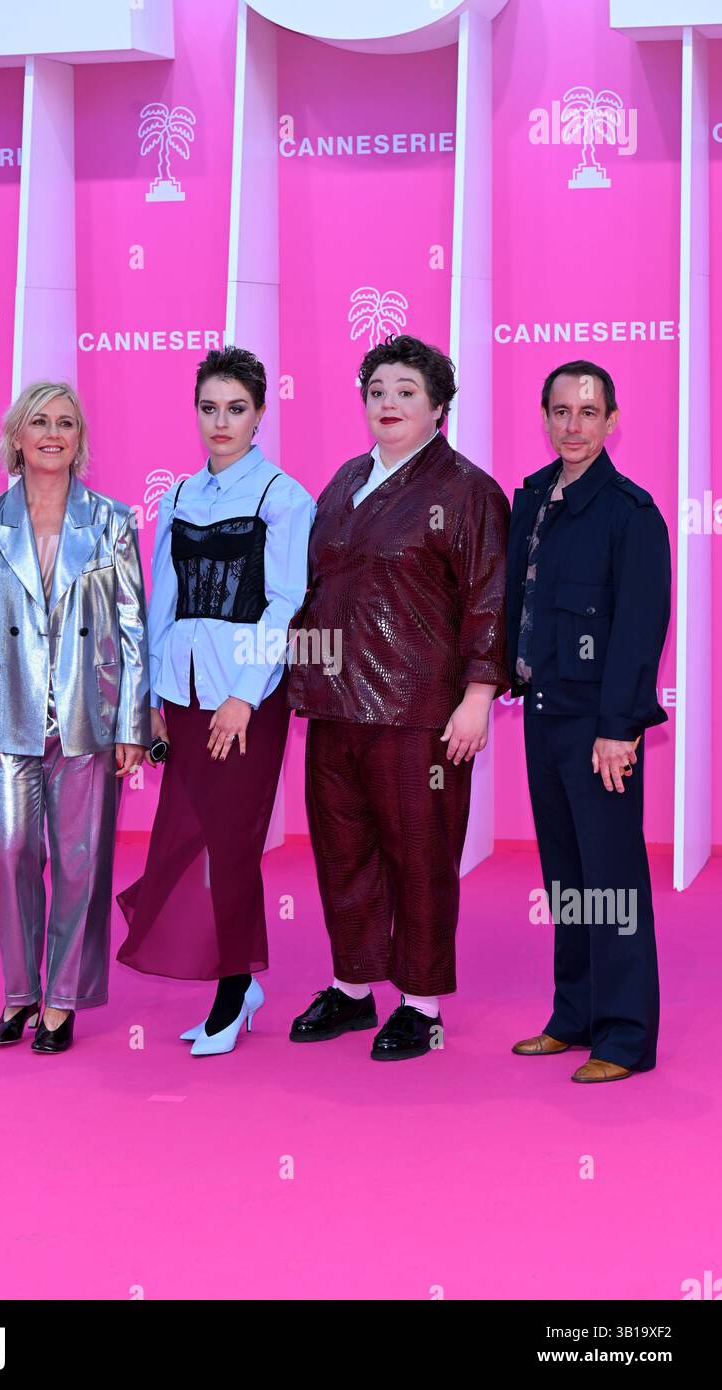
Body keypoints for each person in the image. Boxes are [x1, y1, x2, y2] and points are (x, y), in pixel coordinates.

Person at [287, 335, 510, 1061]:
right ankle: (353, 988)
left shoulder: (466, 490)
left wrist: (477, 696)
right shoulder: (345, 480)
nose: (388, 402)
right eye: (377, 390)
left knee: (421, 857)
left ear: (439, 407)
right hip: (333, 707)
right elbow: (314, 588)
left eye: (407, 391)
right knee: (342, 854)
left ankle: (421, 1003)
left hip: (421, 713)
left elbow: (489, 600)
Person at [115, 346, 315, 1056]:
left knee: (231, 846)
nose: (221, 422)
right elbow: (162, 604)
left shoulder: (285, 497)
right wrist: (155, 696)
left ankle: (233, 991)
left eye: (236, 409)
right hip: (187, 697)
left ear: (260, 412)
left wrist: (242, 695)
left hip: (248, 700)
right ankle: (240, 982)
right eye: (209, 409)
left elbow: (287, 602)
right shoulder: (177, 497)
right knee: (191, 839)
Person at [0, 380, 149, 1054]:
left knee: (78, 862)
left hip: (85, 721)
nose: (53, 433)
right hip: (6, 721)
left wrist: (131, 727)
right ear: (16, 436)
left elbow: (131, 630)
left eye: (66, 423)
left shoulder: (112, 522)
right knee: (9, 856)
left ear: (79, 441)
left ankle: (60, 1001)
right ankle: (18, 993)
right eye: (40, 421)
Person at [507, 361, 671, 1082]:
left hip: (598, 727)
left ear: (611, 420)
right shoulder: (534, 499)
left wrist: (619, 726)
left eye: (588, 411)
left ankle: (625, 1036)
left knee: (614, 879)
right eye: (561, 411)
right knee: (567, 877)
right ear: (544, 417)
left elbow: (639, 629)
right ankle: (572, 1016)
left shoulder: (630, 513)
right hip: (542, 716)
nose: (573, 426)